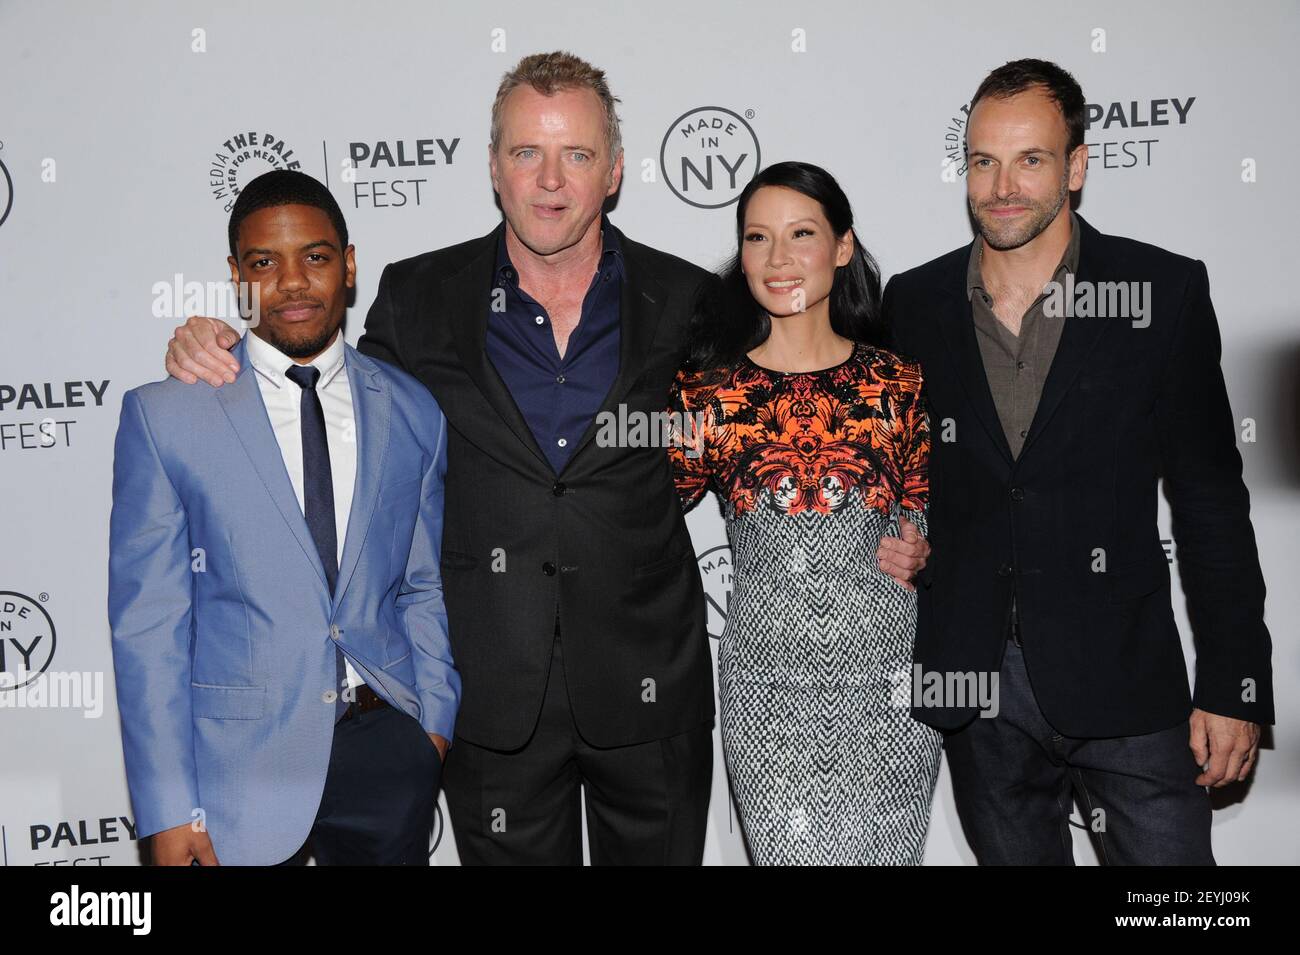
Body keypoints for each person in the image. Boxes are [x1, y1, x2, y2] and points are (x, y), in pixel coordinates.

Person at [163, 52, 930, 865]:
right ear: (494, 166)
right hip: (492, 701)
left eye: (578, 155)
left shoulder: (688, 302)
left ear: (616, 171)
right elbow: (329, 410)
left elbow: (807, 387)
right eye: (528, 152)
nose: (551, 181)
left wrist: (908, 521)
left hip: (652, 697)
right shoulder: (419, 296)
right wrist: (221, 346)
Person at [884, 59, 1274, 864]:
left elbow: (1209, 502)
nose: (1003, 185)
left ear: (1078, 165)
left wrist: (1235, 680)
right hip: (977, 687)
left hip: (1128, 681)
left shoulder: (1159, 291)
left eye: (1030, 159)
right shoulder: (915, 305)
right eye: (984, 161)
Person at [109, 170, 458, 866]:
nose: (292, 282)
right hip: (237, 774)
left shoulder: (412, 410)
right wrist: (168, 810)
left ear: (349, 265)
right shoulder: (166, 417)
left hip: (388, 755)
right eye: (265, 263)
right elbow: (149, 628)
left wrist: (432, 724)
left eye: (316, 257)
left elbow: (420, 584)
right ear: (236, 276)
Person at [668, 162, 942, 865]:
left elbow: (929, 510)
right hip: (767, 682)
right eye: (758, 238)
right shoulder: (709, 390)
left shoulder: (897, 381)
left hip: (888, 678)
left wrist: (922, 545)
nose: (779, 258)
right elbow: (649, 508)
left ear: (842, 247)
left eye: (801, 234)